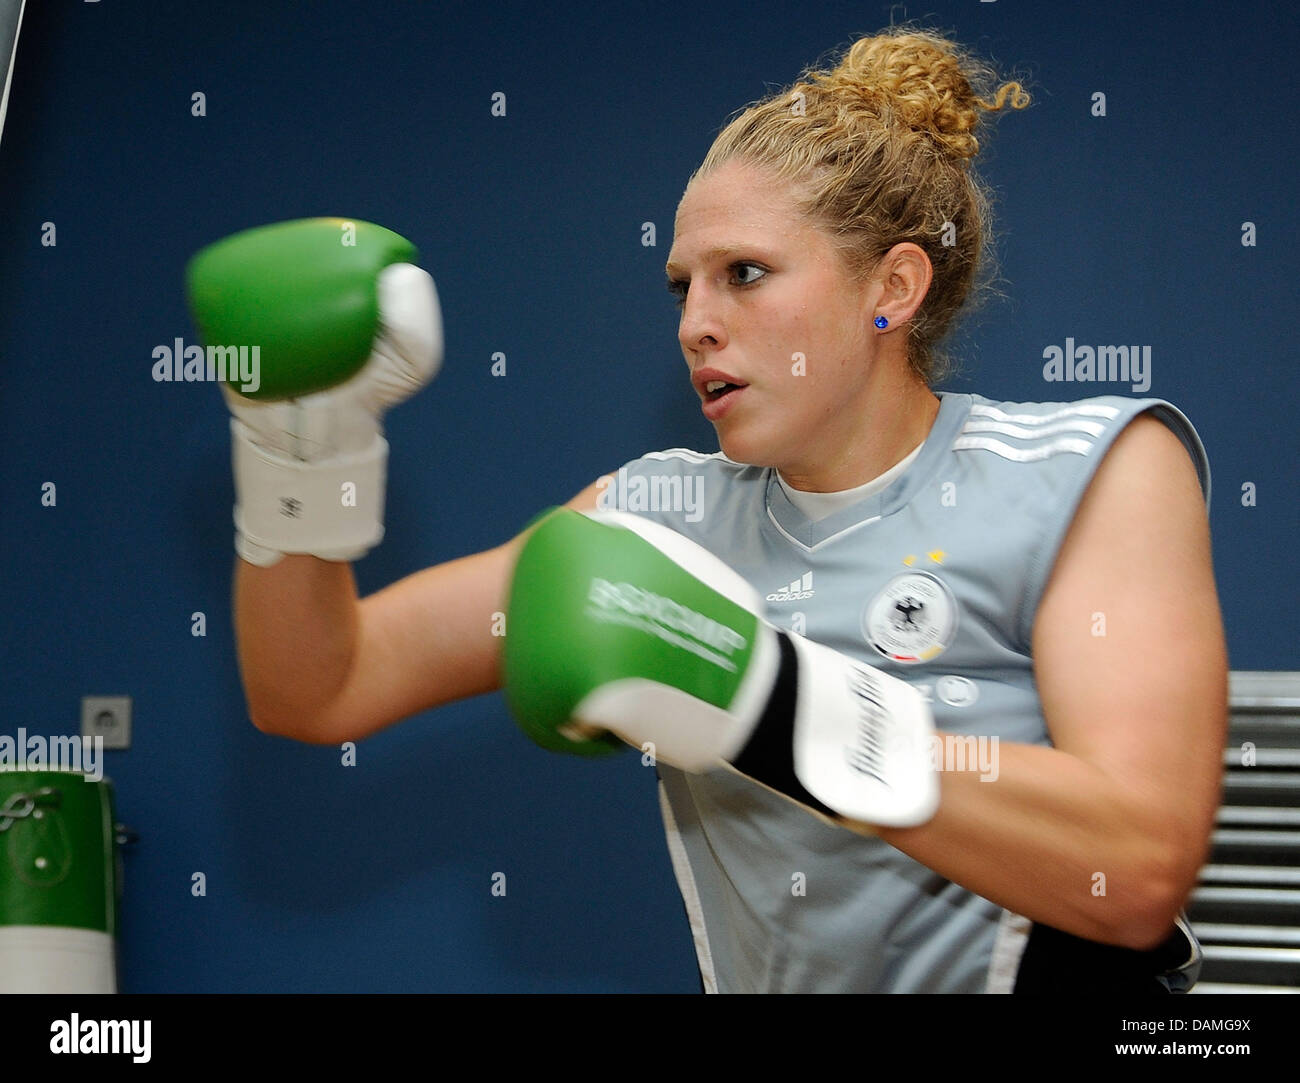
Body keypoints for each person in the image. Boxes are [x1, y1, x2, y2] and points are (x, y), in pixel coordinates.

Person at [192, 26, 1228, 993]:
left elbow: (1137, 869)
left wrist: (763, 699)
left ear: (893, 288)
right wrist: (300, 442)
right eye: (681, 285)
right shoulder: (661, 515)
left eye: (744, 274)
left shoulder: (1087, 471)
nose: (696, 323)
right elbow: (318, 688)